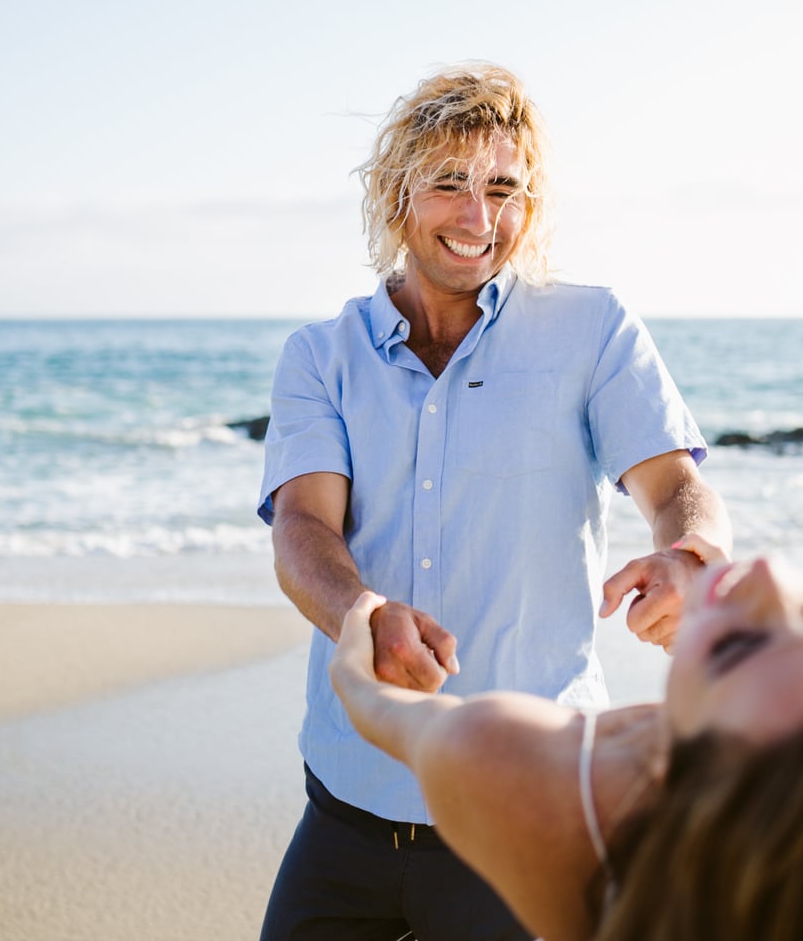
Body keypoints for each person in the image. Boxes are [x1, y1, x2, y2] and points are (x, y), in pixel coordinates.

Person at [257, 63, 733, 940]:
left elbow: (676, 488)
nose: (479, 219)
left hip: (528, 812)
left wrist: (689, 557)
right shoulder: (322, 356)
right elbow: (302, 528)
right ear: (397, 195)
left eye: (504, 188)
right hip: (347, 801)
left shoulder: (592, 330)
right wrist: (363, 614)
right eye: (449, 184)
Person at [329, 545, 803, 941]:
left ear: (667, 768)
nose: (766, 575)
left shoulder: (524, 776)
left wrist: (361, 610)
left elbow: (368, 698)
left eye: (735, 647)